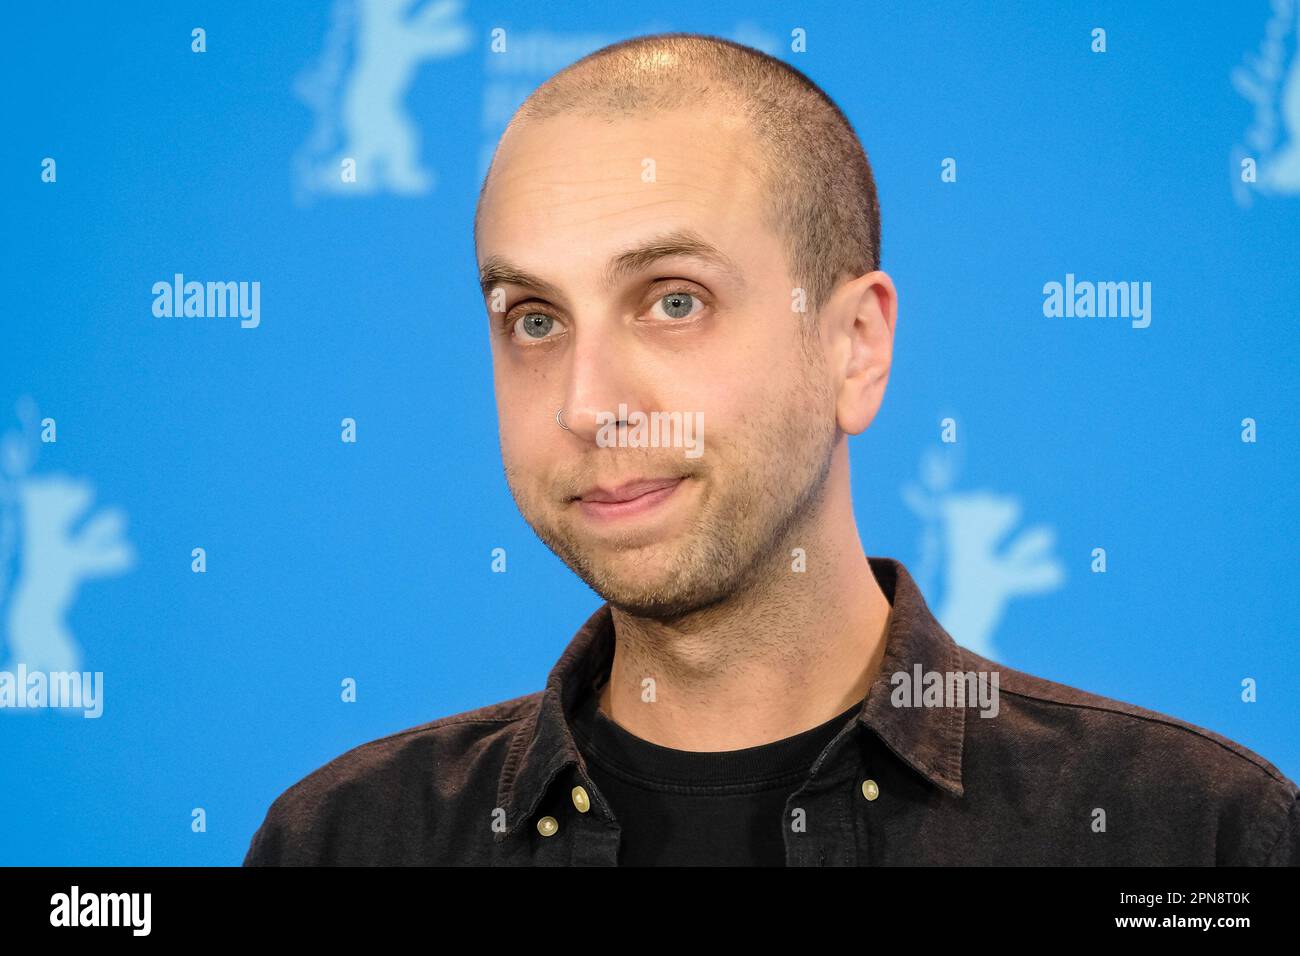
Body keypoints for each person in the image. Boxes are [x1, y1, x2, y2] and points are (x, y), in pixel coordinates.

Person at [242, 32, 1298, 866]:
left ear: (854, 346)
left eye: (671, 299)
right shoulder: (341, 838)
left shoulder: (1189, 834)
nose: (585, 401)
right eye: (533, 317)